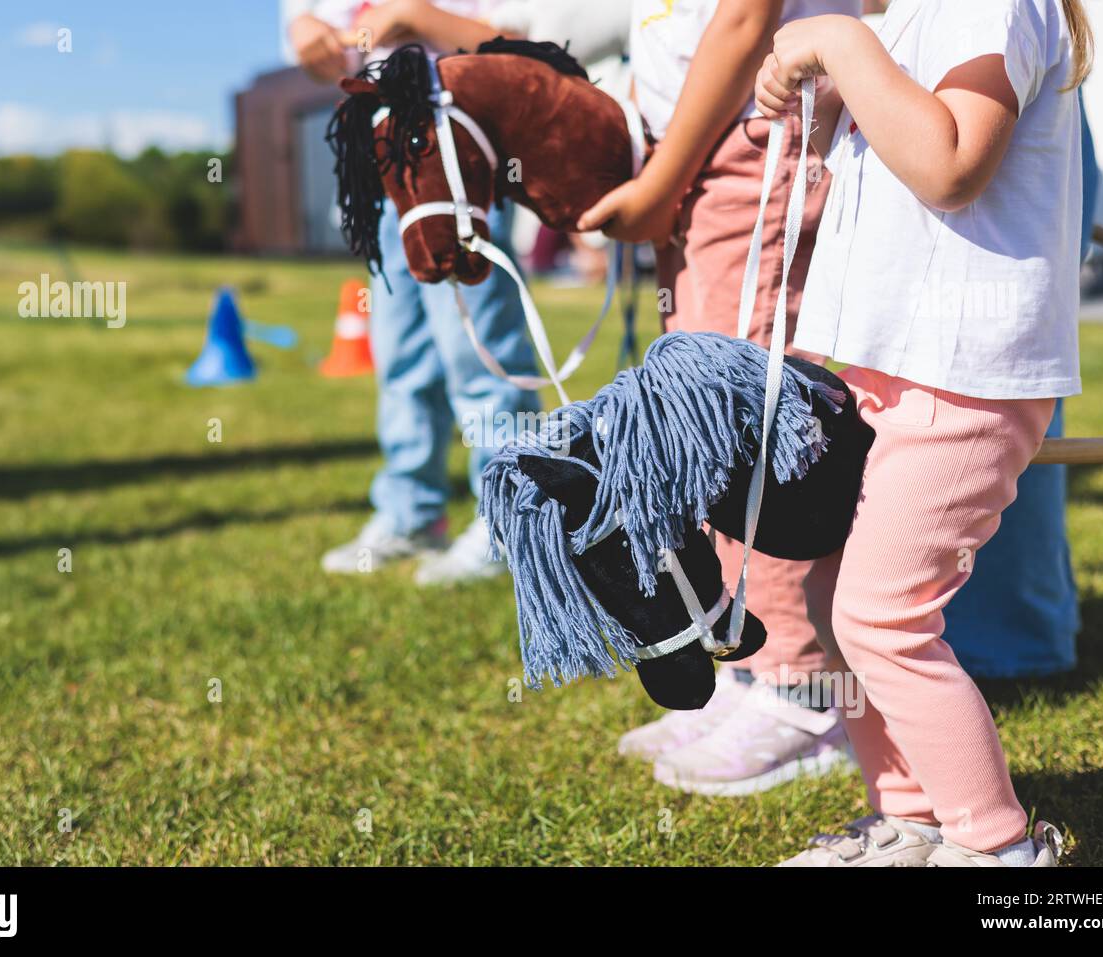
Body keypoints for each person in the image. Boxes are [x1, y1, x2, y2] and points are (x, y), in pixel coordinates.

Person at [751, 0, 1087, 865]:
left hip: (963, 370)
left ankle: (1000, 846)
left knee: (883, 615)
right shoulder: (901, 18)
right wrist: (829, 106)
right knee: (833, 597)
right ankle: (912, 817)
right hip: (885, 365)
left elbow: (949, 166)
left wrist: (839, 43)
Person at [578, 0, 863, 797]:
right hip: (705, 154)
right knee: (704, 423)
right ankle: (747, 665)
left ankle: (805, 695)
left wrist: (659, 182)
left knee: (753, 415)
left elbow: (744, 17)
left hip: (751, 143)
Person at [282, 0, 543, 585]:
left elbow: (522, 44)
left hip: (460, 167)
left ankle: (514, 520)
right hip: (382, 168)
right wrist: (305, 34)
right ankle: (411, 512)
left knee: (480, 356)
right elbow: (320, 41)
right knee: (402, 358)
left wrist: (420, 19)